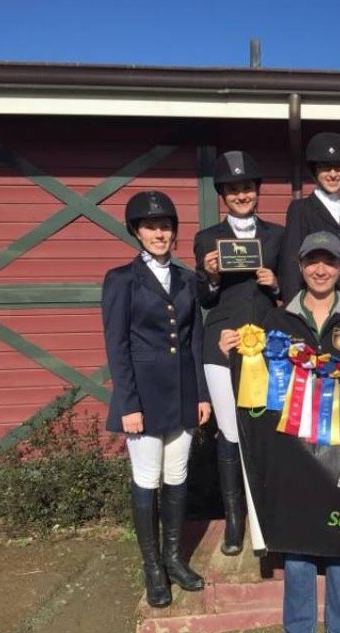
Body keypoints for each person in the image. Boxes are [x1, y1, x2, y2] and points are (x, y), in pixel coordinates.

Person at [220, 231, 340, 633]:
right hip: (293, 449)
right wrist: (233, 355)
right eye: (313, 261)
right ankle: (299, 627)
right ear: (300, 266)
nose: (320, 269)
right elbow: (259, 391)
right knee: (297, 542)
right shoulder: (275, 321)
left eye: (329, 261)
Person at [102, 191, 211, 608]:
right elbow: (117, 346)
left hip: (183, 393)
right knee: (147, 479)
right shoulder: (121, 279)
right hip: (143, 399)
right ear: (136, 231)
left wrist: (201, 394)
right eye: (150, 226)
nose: (159, 233)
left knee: (177, 475)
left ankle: (174, 558)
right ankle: (152, 567)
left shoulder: (186, 278)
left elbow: (196, 340)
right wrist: (128, 403)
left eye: (165, 226)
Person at [193, 150, 285, 555]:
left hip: (267, 343)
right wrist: (211, 277)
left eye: (247, 187)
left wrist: (275, 282)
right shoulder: (206, 238)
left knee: (263, 430)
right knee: (229, 433)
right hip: (222, 344)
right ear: (223, 195)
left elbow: (292, 292)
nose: (241, 194)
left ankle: (267, 516)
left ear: (257, 191)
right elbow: (203, 297)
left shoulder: (277, 236)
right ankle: (235, 522)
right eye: (233, 189)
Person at [280, 132, 340, 311]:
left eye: (338, 168)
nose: (333, 174)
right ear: (315, 171)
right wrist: (293, 312)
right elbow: (291, 265)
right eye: (326, 168)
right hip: (314, 306)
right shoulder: (300, 209)